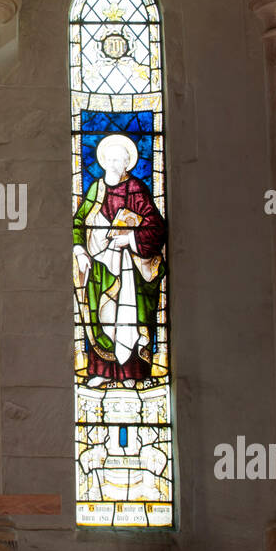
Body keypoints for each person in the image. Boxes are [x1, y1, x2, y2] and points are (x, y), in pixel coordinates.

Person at [72, 133, 166, 385]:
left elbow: (156, 226)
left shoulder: (136, 188)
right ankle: (102, 371)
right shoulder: (96, 189)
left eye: (119, 160)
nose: (114, 164)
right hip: (99, 267)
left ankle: (131, 374)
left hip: (130, 266)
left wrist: (131, 240)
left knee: (128, 318)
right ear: (103, 161)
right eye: (110, 159)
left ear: (127, 163)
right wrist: (80, 250)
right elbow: (78, 222)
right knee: (103, 318)